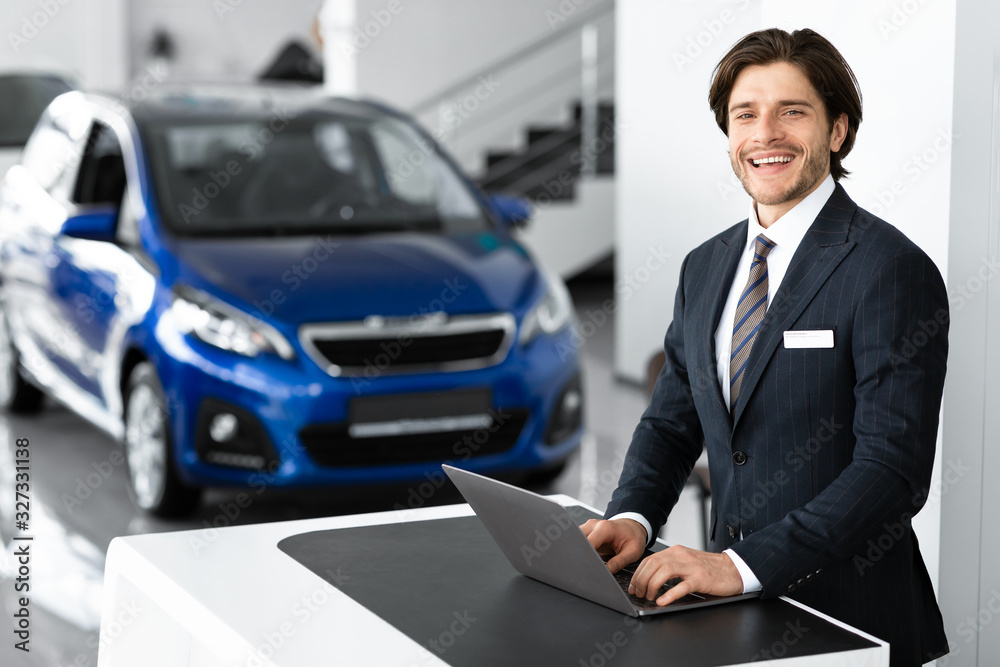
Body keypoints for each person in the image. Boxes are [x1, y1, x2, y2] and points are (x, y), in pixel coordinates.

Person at [580, 28, 949, 665]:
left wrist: (741, 565)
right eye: (745, 114)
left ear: (837, 130)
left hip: (851, 618)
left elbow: (892, 471)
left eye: (792, 111)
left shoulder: (889, 268)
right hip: (733, 617)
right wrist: (633, 518)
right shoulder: (704, 266)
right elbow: (671, 422)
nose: (765, 134)